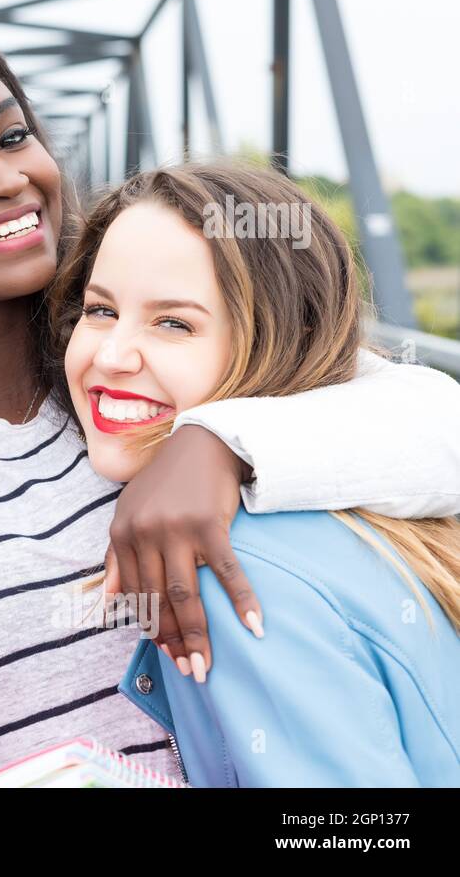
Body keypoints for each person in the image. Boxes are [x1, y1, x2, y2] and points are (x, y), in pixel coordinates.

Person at [0, 19, 460, 786]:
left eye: (13, 138)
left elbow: (438, 424)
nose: (5, 178)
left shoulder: (157, 382)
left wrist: (219, 443)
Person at [54, 161, 460, 785]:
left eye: (173, 323)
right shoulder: (387, 515)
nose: (110, 355)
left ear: (280, 342)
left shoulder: (232, 569)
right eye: (100, 310)